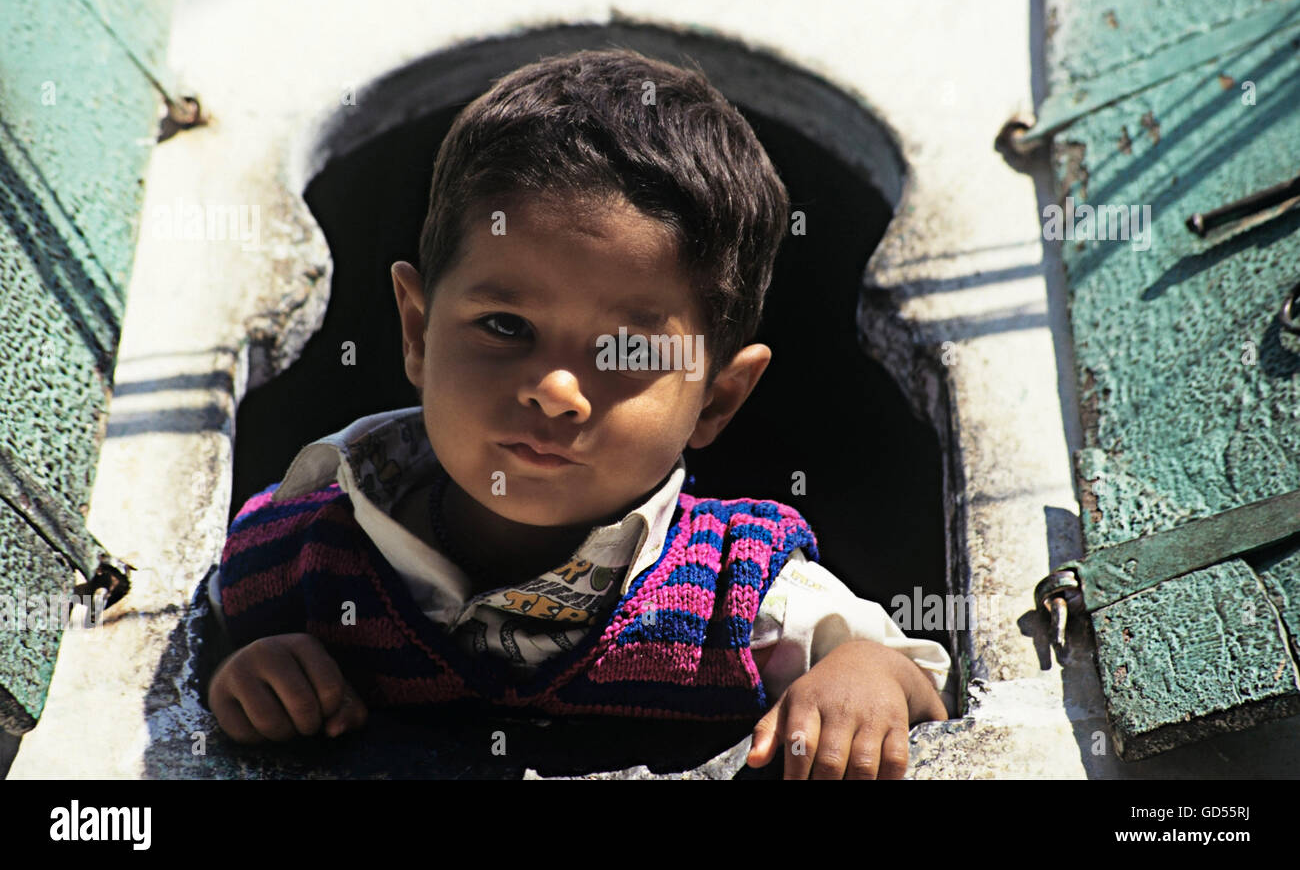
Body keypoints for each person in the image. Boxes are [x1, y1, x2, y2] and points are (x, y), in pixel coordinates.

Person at [206, 47, 953, 779]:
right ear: (416, 332)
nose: (555, 388)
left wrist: (861, 679)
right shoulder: (293, 558)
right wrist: (254, 676)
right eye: (505, 326)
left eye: (626, 353)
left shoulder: (746, 593)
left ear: (717, 398)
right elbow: (201, 648)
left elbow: (917, 684)